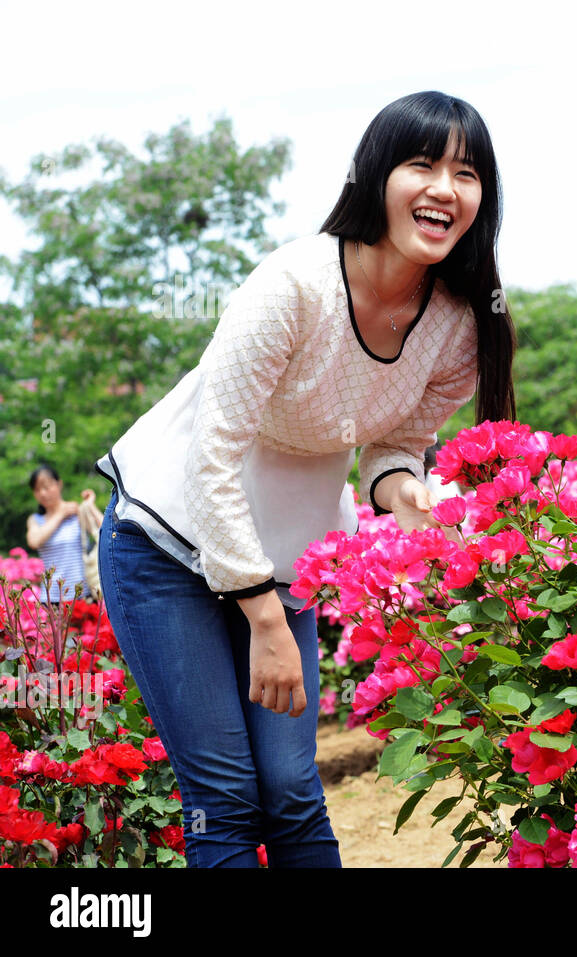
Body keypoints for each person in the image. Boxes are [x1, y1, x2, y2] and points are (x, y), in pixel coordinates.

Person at [94, 91, 516, 868]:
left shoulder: (459, 322)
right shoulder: (293, 285)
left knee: (291, 790)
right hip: (166, 542)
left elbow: (395, 447)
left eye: (466, 173)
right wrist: (264, 619)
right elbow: (212, 455)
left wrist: (406, 493)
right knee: (226, 797)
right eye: (422, 164)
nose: (444, 188)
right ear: (375, 176)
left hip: (285, 557)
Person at [26, 463, 97, 605]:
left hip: (83, 595)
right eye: (37, 490)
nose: (43, 493)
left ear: (59, 484)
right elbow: (34, 541)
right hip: (51, 599)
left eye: (46, 487)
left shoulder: (76, 512)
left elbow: (103, 531)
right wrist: (60, 514)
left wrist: (89, 506)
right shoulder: (35, 520)